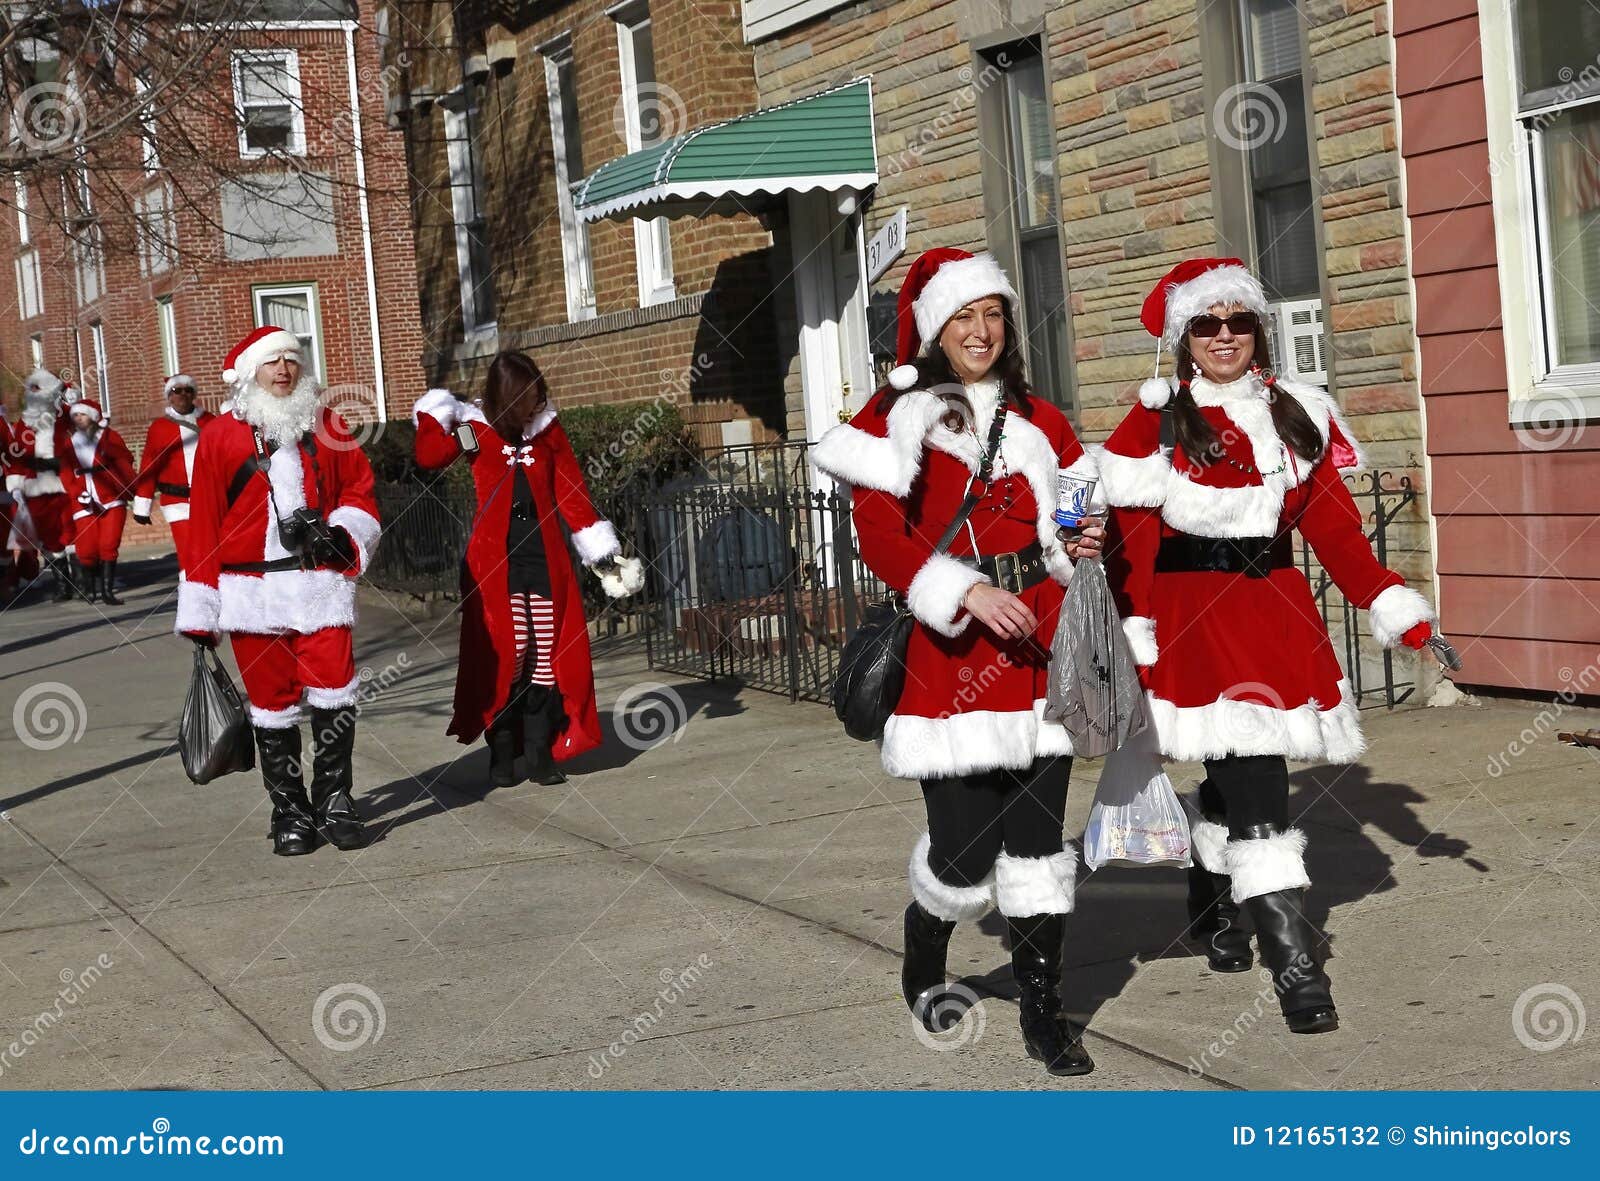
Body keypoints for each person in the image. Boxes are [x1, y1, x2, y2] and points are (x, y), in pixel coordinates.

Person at [1097, 257, 1445, 1035]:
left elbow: (1338, 536)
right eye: (1207, 324)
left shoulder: (1298, 414)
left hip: (1272, 614)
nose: (1225, 336)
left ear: (1259, 329)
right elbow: (1133, 546)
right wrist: (1136, 633)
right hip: (1191, 621)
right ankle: (1293, 964)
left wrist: (1402, 612)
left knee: (1247, 775)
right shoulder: (1154, 421)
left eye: (1240, 321)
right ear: (1184, 337)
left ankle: (1214, 892)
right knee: (1252, 780)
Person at [812, 248, 1105, 1077]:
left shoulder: (1040, 416)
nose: (981, 331)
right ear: (935, 327)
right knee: (966, 849)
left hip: (1041, 643)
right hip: (954, 655)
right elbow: (880, 535)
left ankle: (1045, 1011)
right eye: (963, 316)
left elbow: (1079, 495)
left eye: (994, 314)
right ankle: (927, 930)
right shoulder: (899, 412)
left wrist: (1078, 534)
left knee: (1039, 846)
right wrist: (965, 593)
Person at [176, 327, 382, 857]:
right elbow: (203, 523)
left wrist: (343, 532)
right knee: (272, 707)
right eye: (273, 362)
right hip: (251, 593)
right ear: (250, 372)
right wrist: (202, 609)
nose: (284, 369)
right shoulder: (221, 437)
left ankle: (335, 800)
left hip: (320, 585)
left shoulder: (327, 424)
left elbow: (358, 490)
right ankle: (290, 811)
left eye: (293, 359)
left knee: (335, 693)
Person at [412, 351, 643, 787]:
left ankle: (538, 753)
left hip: (544, 557)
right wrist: (434, 412)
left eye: (539, 397)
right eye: (527, 400)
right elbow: (429, 457)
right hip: (494, 564)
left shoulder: (547, 431)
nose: (535, 407)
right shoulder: (474, 429)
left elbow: (571, 490)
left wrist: (599, 549)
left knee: (545, 659)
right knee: (511, 652)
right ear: (506, 399)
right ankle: (502, 746)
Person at [3, 369, 77, 601]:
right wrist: (16, 483)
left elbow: (78, 445)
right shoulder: (26, 424)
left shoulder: (65, 417)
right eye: (30, 390)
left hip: (63, 483)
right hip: (35, 486)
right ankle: (63, 584)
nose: (33, 394)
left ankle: (82, 576)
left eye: (37, 389)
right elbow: (14, 455)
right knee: (48, 537)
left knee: (69, 532)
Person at [132, 375, 215, 577]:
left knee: (213, 550)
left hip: (210, 499)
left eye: (188, 390)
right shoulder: (160, 428)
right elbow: (149, 466)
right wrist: (143, 504)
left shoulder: (210, 421)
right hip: (177, 501)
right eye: (177, 391)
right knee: (189, 552)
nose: (183, 395)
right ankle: (193, 596)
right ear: (169, 397)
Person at [62, 397, 136, 605]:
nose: (78, 418)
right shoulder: (69, 443)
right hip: (82, 498)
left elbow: (125, 462)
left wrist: (131, 489)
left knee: (109, 543)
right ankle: (88, 588)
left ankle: (106, 591)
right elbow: (66, 473)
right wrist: (77, 492)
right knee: (86, 548)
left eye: (82, 414)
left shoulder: (110, 437)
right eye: (75, 415)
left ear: (93, 417)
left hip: (110, 495)